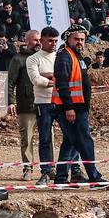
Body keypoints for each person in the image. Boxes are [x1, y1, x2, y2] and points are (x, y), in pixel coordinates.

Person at [52, 28, 109, 187]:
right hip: (72, 108)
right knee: (84, 143)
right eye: (76, 39)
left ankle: (61, 177)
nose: (80, 42)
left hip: (78, 107)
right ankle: (94, 177)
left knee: (70, 142)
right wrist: (69, 108)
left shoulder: (76, 56)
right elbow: (62, 84)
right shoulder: (65, 56)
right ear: (68, 39)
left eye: (82, 39)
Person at [26, 26, 63, 185]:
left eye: (55, 41)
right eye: (50, 41)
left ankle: (71, 169)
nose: (53, 44)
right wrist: (56, 81)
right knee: (45, 139)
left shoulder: (61, 56)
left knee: (71, 136)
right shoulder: (33, 59)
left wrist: (47, 76)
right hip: (43, 103)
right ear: (42, 41)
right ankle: (46, 171)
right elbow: (36, 80)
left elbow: (67, 76)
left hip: (61, 102)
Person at [6, 29, 40, 179]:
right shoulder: (18, 59)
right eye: (35, 40)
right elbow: (10, 82)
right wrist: (11, 102)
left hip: (44, 104)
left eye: (39, 40)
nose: (38, 43)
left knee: (48, 139)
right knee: (27, 138)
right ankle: (28, 169)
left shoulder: (44, 57)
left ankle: (49, 168)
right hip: (27, 105)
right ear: (27, 41)